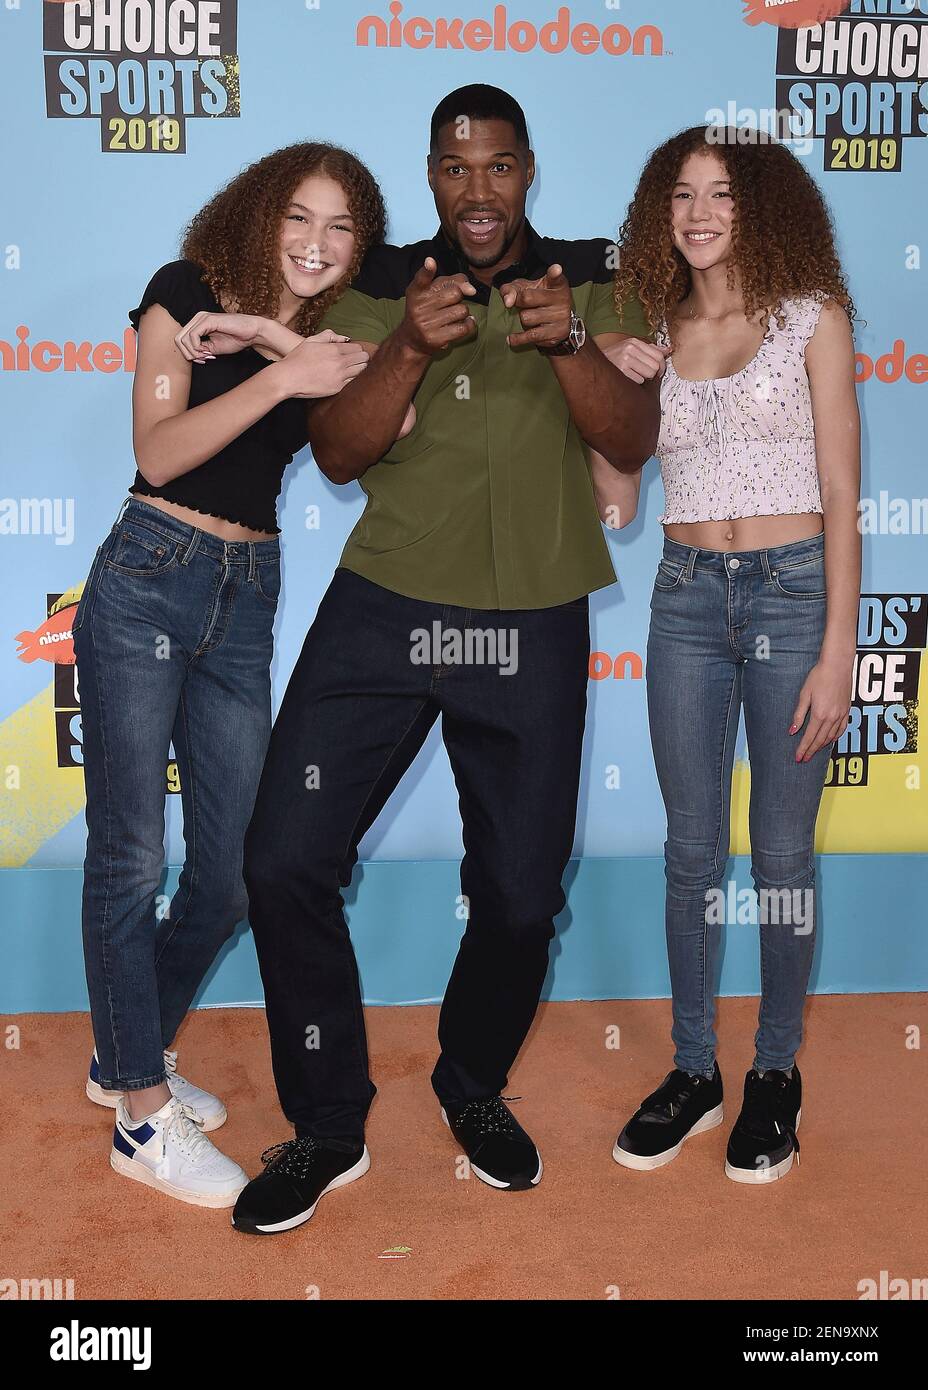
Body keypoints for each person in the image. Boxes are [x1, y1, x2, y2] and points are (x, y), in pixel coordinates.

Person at [231, 84, 659, 1236]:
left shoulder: (588, 273)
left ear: (529, 168)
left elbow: (628, 436)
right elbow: (337, 450)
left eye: (498, 166)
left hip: (530, 617)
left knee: (520, 896)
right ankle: (327, 1122)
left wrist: (568, 339)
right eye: (455, 169)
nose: (478, 190)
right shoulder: (381, 287)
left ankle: (468, 1084)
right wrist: (407, 351)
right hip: (386, 610)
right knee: (280, 858)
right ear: (430, 176)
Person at [73, 142, 392, 1208]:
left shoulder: (334, 337)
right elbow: (160, 451)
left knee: (232, 870)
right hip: (150, 568)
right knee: (128, 856)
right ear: (261, 212)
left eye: (341, 227)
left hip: (247, 593)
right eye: (301, 216)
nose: (317, 242)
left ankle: (125, 1047)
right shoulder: (180, 291)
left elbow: (354, 392)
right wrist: (279, 372)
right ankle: (137, 1115)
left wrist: (271, 343)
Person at [594, 125, 860, 1184]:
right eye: (682, 195)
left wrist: (839, 642)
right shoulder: (650, 328)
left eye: (721, 194)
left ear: (760, 208)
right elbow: (618, 506)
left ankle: (775, 1076)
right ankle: (693, 1069)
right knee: (691, 853)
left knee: (783, 858)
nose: (698, 212)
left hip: (796, 595)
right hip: (685, 599)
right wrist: (605, 398)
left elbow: (841, 492)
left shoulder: (812, 317)